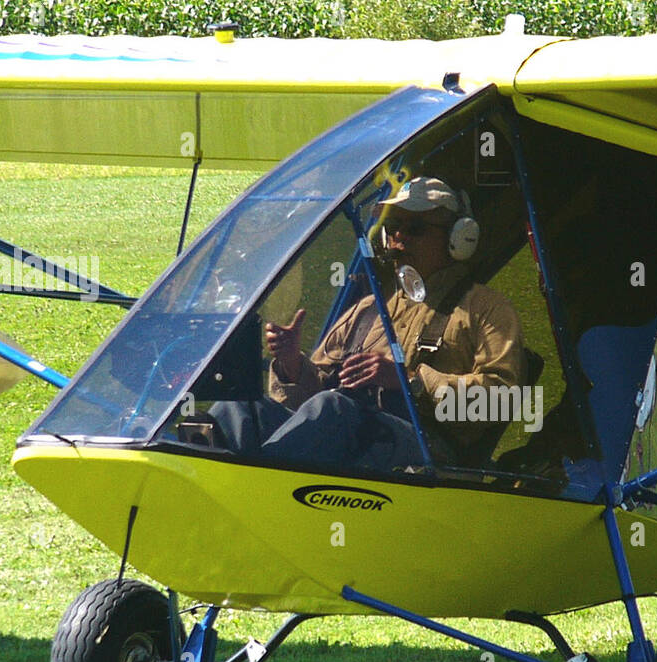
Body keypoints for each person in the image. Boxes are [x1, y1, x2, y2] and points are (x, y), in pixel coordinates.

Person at [211, 176, 527, 472]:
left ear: (459, 238)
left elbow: (500, 403)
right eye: (393, 227)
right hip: (354, 435)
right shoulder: (368, 309)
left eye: (415, 228)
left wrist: (411, 381)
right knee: (238, 409)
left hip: (430, 454)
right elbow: (309, 402)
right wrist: (293, 366)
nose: (398, 238)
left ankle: (264, 487)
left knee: (336, 410)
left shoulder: (486, 309)